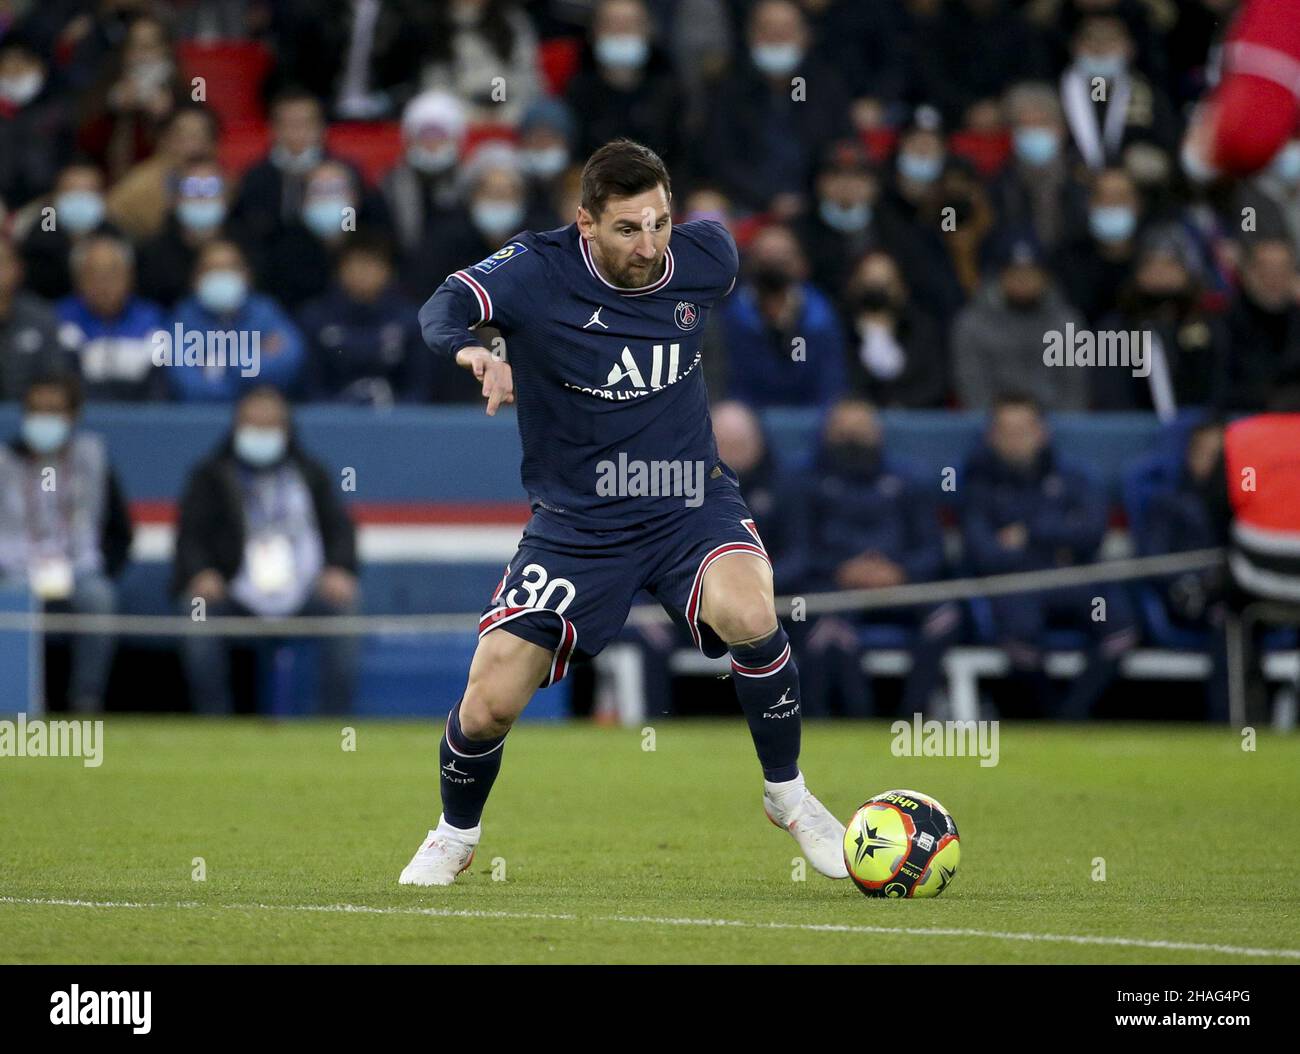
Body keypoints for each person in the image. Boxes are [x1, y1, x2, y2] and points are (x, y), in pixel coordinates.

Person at [409, 138, 847, 886]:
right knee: (486, 706)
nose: (649, 246)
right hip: (579, 521)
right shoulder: (536, 269)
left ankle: (790, 797)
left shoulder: (710, 256)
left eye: (660, 223)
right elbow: (442, 303)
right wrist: (474, 351)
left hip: (686, 497)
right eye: (627, 229)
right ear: (586, 223)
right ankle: (454, 833)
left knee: (750, 609)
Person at [172, 386, 359, 715]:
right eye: (252, 425)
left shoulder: (311, 475)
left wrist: (338, 569)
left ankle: (334, 722)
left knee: (345, 605)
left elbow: (340, 531)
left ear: (286, 430)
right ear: (237, 428)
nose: (261, 433)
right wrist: (201, 573)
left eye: (270, 425)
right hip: (233, 591)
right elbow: (190, 538)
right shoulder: (211, 476)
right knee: (196, 608)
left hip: (303, 591)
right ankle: (212, 723)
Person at [960, 392, 1139, 719]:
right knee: (1020, 632)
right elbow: (984, 552)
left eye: (1024, 429)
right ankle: (1050, 716)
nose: (1015, 440)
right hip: (1017, 585)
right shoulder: (978, 484)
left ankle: (1071, 713)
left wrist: (1028, 534)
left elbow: (1091, 535)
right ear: (990, 437)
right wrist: (1055, 543)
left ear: (1043, 432)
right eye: (1006, 431)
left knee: (1117, 625)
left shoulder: (1075, 477)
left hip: (1076, 580)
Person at [0, 372, 133, 712]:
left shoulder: (92, 460)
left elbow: (120, 530)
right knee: (10, 599)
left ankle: (85, 702)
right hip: (13, 571)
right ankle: (16, 704)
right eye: (36, 411)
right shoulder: (4, 462)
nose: (44, 420)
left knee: (99, 597)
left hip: (78, 569)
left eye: (54, 412)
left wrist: (105, 567)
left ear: (73, 416)